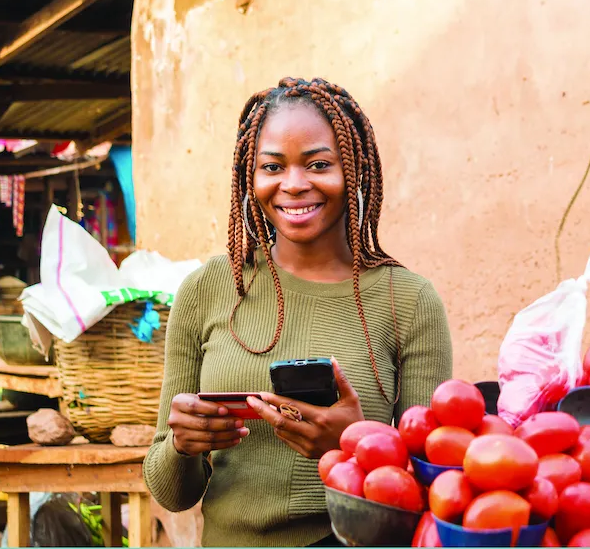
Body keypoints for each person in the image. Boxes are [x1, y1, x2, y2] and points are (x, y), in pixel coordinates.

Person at [143, 77, 453, 547]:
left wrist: (355, 444)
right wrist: (182, 446)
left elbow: (438, 490)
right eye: (272, 167)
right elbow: (171, 492)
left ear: (354, 170)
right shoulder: (209, 289)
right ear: (250, 177)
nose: (293, 184)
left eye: (319, 164)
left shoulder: (407, 301)